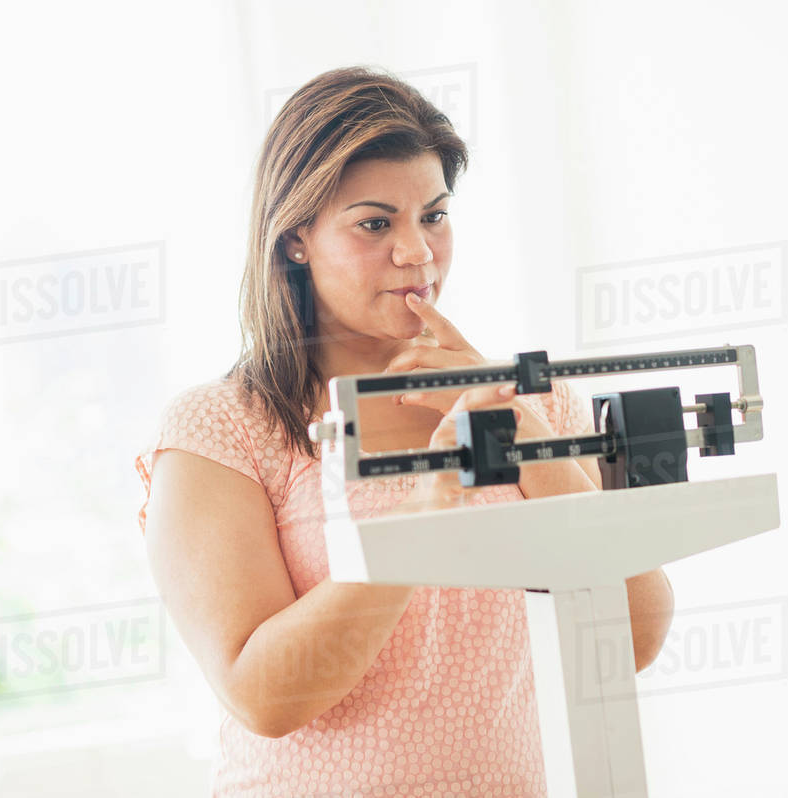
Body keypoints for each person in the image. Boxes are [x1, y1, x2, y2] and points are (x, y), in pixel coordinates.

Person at [134, 65, 674, 797]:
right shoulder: (222, 430)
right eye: (375, 223)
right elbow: (264, 697)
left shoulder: (539, 404)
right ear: (295, 239)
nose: (417, 252)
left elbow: (634, 637)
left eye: (435, 216)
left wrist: (518, 428)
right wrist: (427, 504)